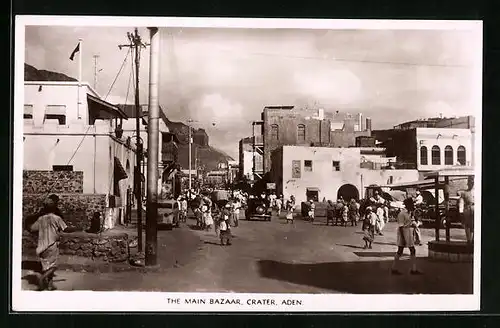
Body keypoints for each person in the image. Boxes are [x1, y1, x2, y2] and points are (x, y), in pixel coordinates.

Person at [30, 194, 69, 291]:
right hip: (52, 246)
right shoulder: (57, 218)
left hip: (41, 247)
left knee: (47, 267)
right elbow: (66, 229)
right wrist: (78, 228)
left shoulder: (40, 219)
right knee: (54, 266)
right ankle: (42, 279)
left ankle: (50, 285)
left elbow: (32, 228)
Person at [391, 198, 421, 275]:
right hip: (403, 232)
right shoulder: (402, 214)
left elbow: (412, 221)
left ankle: (413, 269)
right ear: (408, 205)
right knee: (400, 250)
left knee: (412, 250)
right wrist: (403, 238)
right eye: (412, 204)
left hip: (408, 231)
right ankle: (394, 268)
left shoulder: (409, 213)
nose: (413, 206)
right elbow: (401, 226)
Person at [458, 177, 475, 244]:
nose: (471, 184)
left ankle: (474, 239)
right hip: (467, 208)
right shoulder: (464, 193)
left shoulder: (477, 191)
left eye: (472, 183)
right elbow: (461, 202)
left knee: (475, 224)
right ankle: (468, 239)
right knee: (467, 225)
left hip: (475, 208)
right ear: (468, 184)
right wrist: (461, 211)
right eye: (470, 183)